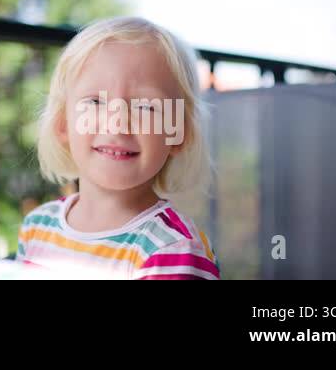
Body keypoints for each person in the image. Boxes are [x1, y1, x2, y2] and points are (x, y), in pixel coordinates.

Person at [16, 16, 219, 280]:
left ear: (178, 134)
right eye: (95, 101)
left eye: (145, 106)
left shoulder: (173, 251)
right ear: (63, 122)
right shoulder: (36, 227)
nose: (117, 124)